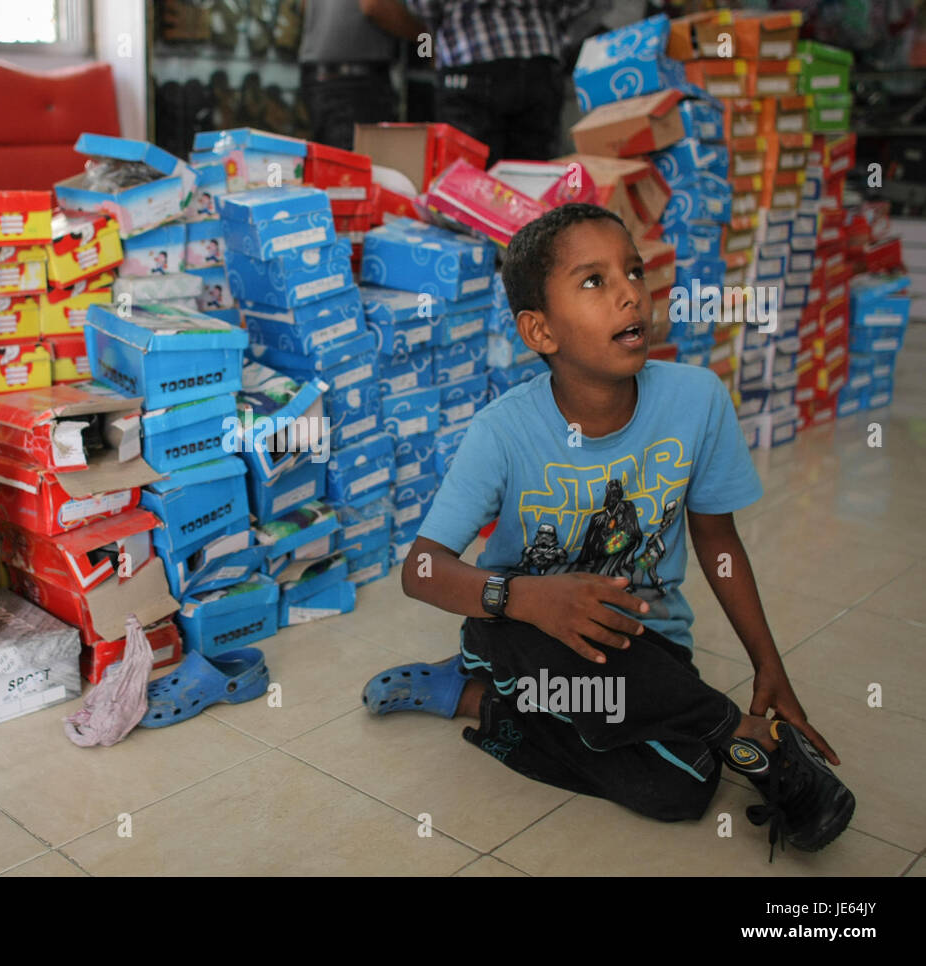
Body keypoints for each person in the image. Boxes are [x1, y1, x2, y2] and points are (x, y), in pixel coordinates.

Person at [362, 204, 855, 860]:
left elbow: (719, 543)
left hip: (643, 649)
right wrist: (525, 597)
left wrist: (769, 663)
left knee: (680, 789)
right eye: (594, 281)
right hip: (523, 631)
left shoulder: (697, 400)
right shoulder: (502, 431)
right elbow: (420, 569)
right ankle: (739, 731)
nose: (630, 293)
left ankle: (481, 701)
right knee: (595, 679)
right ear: (540, 330)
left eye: (634, 272)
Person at [404, 0, 600, 164]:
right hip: (539, 57)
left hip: (471, 56)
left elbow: (423, 5)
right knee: (534, 176)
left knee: (472, 177)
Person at [298, 0, 427, 150]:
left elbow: (304, 7)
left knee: (329, 157)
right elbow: (374, 5)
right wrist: (424, 36)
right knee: (353, 160)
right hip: (352, 84)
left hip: (317, 76)